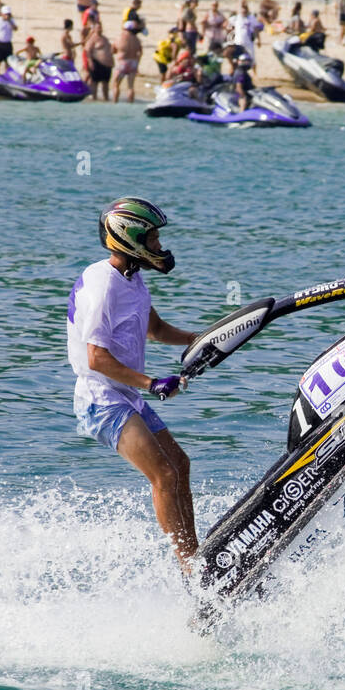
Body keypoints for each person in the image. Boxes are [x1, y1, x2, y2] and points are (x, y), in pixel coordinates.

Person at [68, 198, 199, 573]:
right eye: (154, 238)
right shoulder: (104, 287)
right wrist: (152, 383)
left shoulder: (132, 280)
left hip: (123, 395)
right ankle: (190, 567)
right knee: (164, 474)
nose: (160, 246)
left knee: (180, 464)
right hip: (100, 400)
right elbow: (96, 358)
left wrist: (202, 338)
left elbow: (155, 330)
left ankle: (196, 551)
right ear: (132, 240)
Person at [113, 19, 140, 102]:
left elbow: (113, 50)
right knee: (130, 86)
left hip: (123, 62)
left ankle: (115, 102)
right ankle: (131, 103)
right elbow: (140, 52)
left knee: (116, 84)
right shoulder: (136, 39)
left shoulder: (120, 37)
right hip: (133, 62)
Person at [86, 20, 113, 99]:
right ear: (94, 29)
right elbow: (87, 51)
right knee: (95, 83)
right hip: (97, 63)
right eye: (98, 28)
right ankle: (94, 98)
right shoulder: (93, 39)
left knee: (106, 83)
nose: (100, 29)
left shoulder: (105, 38)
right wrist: (90, 61)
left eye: (101, 27)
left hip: (107, 65)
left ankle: (106, 99)